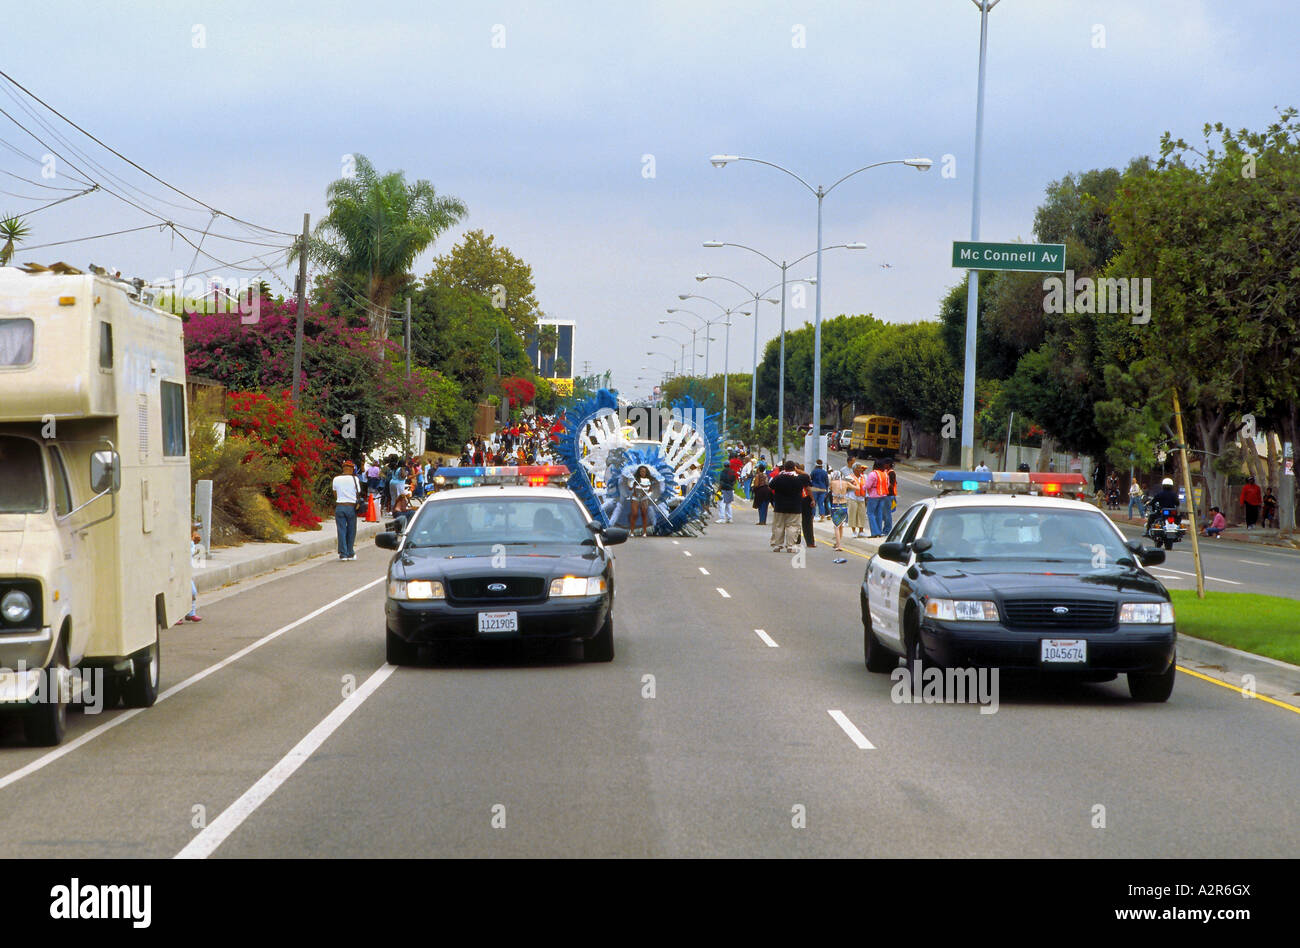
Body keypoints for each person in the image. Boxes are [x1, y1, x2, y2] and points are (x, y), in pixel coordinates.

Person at [768, 461, 804, 552]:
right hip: (794, 507)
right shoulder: (798, 479)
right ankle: (790, 546)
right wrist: (799, 471)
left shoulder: (778, 478)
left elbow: (770, 486)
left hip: (780, 506)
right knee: (792, 526)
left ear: (784, 468)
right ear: (794, 468)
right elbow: (807, 478)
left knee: (778, 526)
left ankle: (777, 545)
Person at [331, 460, 361, 560]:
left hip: (340, 506)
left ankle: (343, 554)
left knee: (341, 530)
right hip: (351, 506)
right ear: (352, 469)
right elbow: (358, 492)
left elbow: (335, 494)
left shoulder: (336, 479)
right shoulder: (355, 479)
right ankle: (350, 552)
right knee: (351, 530)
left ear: (343, 468)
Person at [628, 464, 655, 537]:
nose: (642, 473)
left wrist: (647, 494)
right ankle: (632, 531)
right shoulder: (635, 479)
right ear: (639, 472)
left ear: (646, 472)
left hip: (644, 498)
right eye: (641, 471)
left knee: (644, 514)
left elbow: (650, 490)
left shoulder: (649, 480)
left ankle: (644, 532)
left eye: (644, 471)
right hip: (635, 497)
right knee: (634, 514)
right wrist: (630, 481)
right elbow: (630, 488)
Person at [865, 460, 889, 538]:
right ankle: (879, 531)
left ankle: (874, 532)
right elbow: (887, 485)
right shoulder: (885, 474)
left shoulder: (873, 474)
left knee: (870, 513)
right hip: (883, 495)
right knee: (879, 513)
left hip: (873, 496)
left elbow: (868, 485)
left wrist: (861, 487)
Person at [795, 463, 816, 548]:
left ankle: (796, 540)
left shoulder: (793, 477)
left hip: (796, 501)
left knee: (796, 522)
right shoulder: (804, 477)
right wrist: (813, 499)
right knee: (807, 522)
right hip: (805, 501)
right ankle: (810, 542)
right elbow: (808, 489)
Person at [828, 467, 849, 551]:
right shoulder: (846, 483)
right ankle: (838, 543)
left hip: (836, 505)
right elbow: (857, 487)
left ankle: (839, 545)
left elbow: (830, 489)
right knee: (841, 526)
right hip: (844, 505)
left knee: (836, 526)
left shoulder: (832, 483)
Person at [184, 529, 202, 622]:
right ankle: (177, 616)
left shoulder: (191, 544)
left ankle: (191, 613)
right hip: (177, 572)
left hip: (186, 572)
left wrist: (193, 543)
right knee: (178, 594)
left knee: (192, 592)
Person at [847, 462, 868, 538]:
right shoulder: (849, 477)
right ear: (854, 469)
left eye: (860, 468)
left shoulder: (864, 477)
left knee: (861, 514)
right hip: (852, 498)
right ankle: (854, 531)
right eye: (858, 468)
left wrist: (866, 497)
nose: (860, 469)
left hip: (861, 498)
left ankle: (861, 531)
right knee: (853, 514)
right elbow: (847, 487)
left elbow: (866, 487)